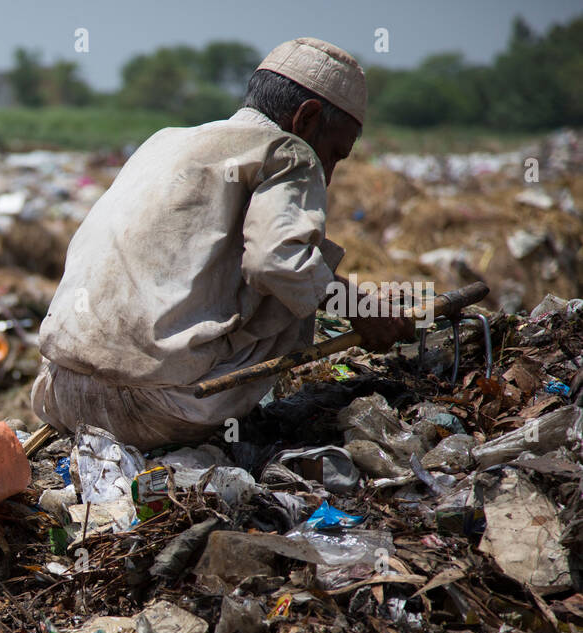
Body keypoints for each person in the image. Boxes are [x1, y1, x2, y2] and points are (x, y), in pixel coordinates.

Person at [30, 37, 413, 450]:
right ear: (307, 117)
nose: (330, 175)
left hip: (58, 392)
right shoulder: (288, 151)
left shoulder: (164, 140)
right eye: (335, 154)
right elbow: (276, 262)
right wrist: (358, 308)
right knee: (297, 268)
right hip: (160, 408)